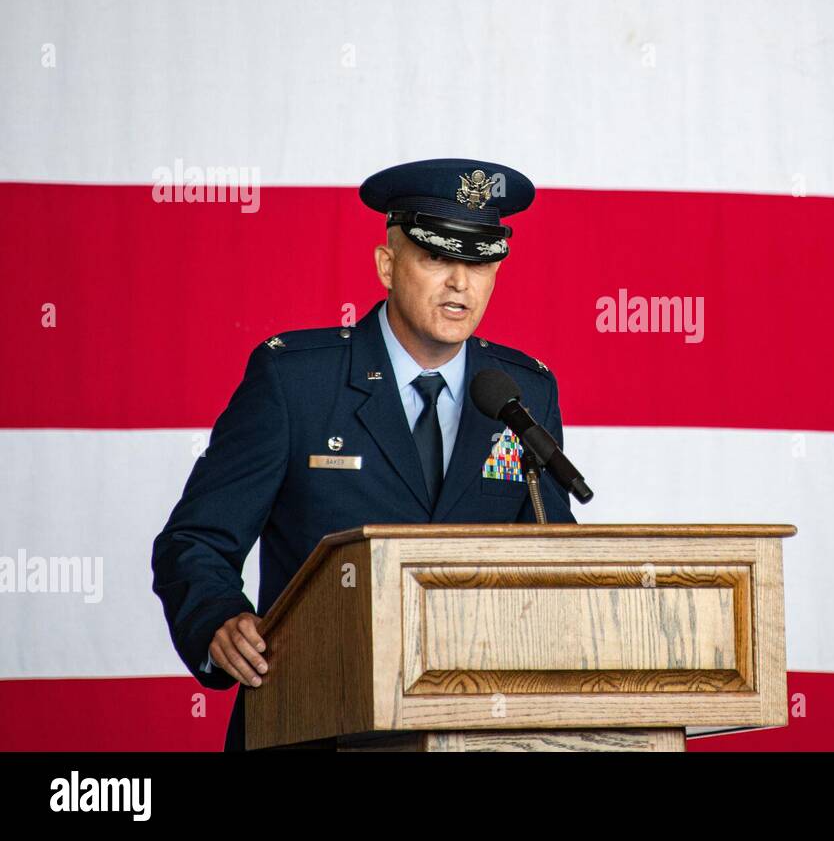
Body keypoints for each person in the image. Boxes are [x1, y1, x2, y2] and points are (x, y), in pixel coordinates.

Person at [151, 158, 575, 751]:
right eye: (437, 257)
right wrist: (220, 620)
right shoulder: (296, 381)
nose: (461, 283)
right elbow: (193, 542)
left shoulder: (521, 391)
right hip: (315, 719)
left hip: (477, 726)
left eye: (479, 262)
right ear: (386, 265)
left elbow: (554, 557)